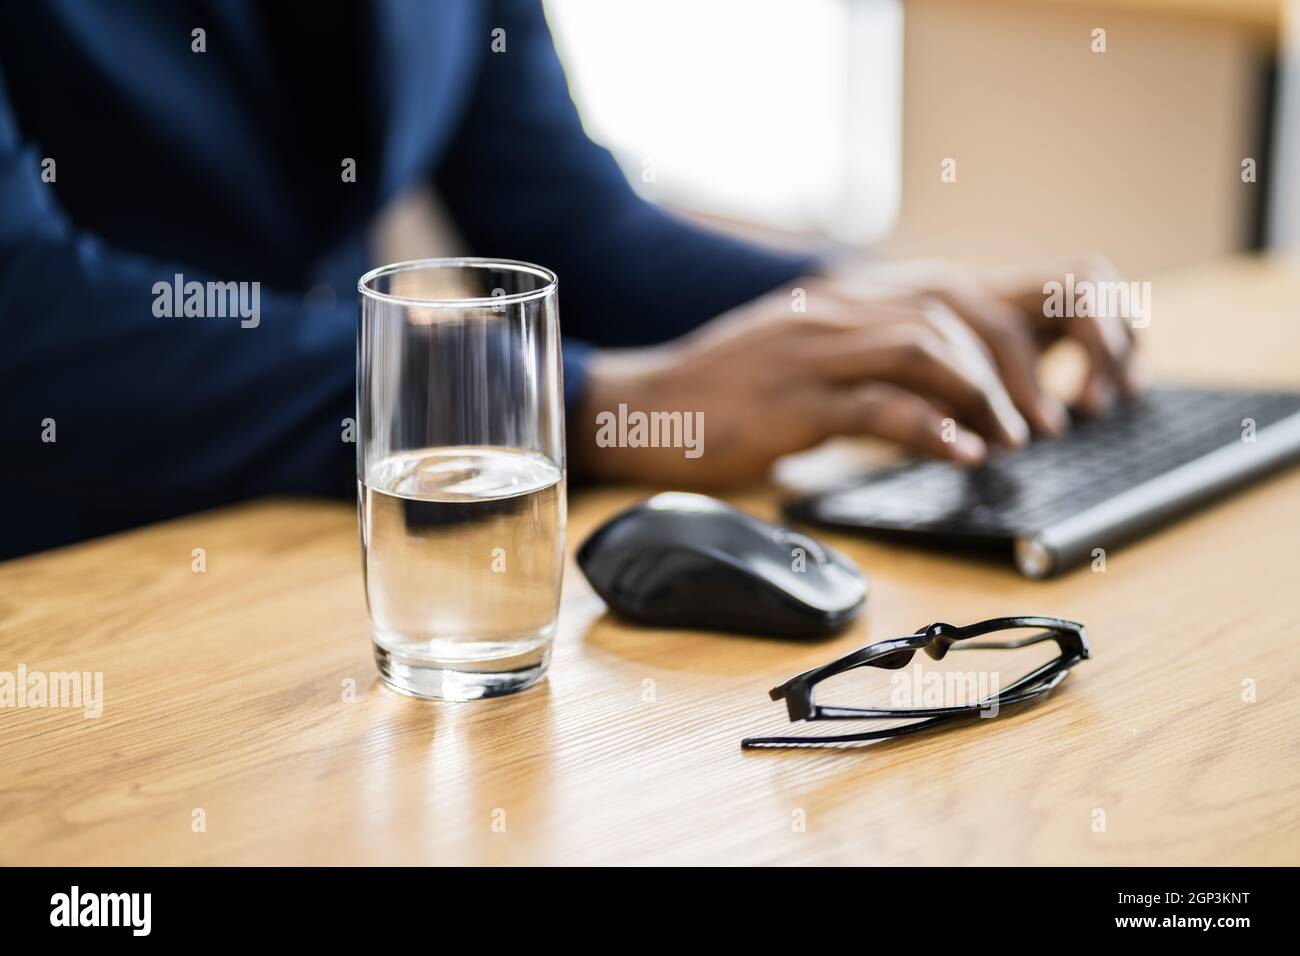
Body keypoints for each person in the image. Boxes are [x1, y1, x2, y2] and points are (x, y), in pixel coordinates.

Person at [0, 0, 1137, 560]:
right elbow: (26, 309)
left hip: (326, 553)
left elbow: (570, 224)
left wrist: (883, 313)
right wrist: (583, 402)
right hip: (65, 567)